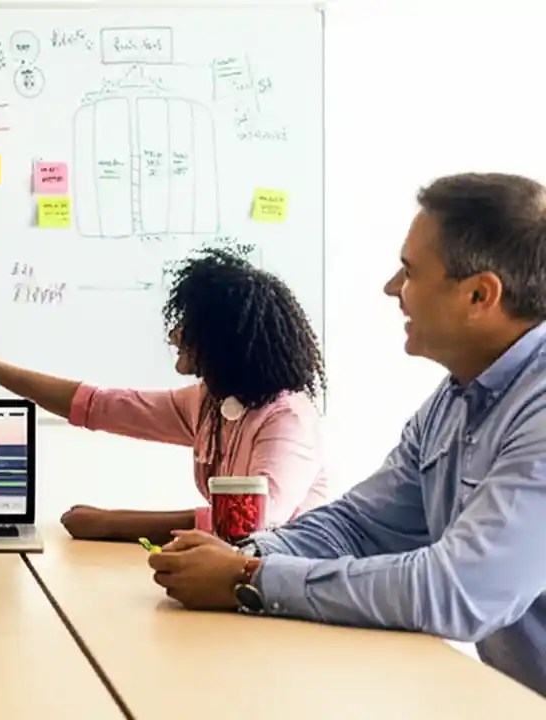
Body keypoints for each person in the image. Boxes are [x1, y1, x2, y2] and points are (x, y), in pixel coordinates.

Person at [148, 172, 546, 697]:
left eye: (409, 272)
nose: (391, 289)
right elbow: (359, 525)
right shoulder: (457, 397)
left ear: (479, 294)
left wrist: (248, 576)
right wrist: (249, 552)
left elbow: (459, 591)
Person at [0, 248, 329, 545]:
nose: (174, 335)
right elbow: (95, 405)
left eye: (185, 325)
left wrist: (112, 523)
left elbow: (250, 524)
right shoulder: (208, 404)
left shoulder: (287, 417)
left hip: (284, 584)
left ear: (223, 340)